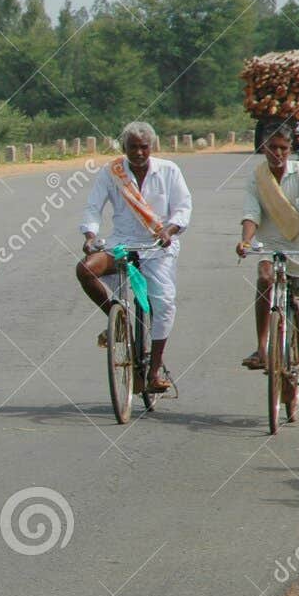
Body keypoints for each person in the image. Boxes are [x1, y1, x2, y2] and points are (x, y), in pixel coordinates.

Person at [75, 121, 192, 395]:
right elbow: (93, 207)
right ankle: (120, 322)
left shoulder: (169, 170)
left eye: (143, 147)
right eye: (132, 148)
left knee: (162, 305)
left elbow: (183, 208)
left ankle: (153, 370)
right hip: (121, 246)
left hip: (157, 247)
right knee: (85, 270)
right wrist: (90, 236)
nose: (138, 153)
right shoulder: (112, 172)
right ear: (124, 148)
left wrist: (169, 230)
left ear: (151, 147)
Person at [237, 123, 299, 390]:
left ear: (291, 150)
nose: (278, 153)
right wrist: (245, 240)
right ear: (263, 148)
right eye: (272, 147)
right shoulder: (257, 177)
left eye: (283, 148)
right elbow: (251, 213)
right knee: (265, 278)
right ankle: (262, 348)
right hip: (272, 245)